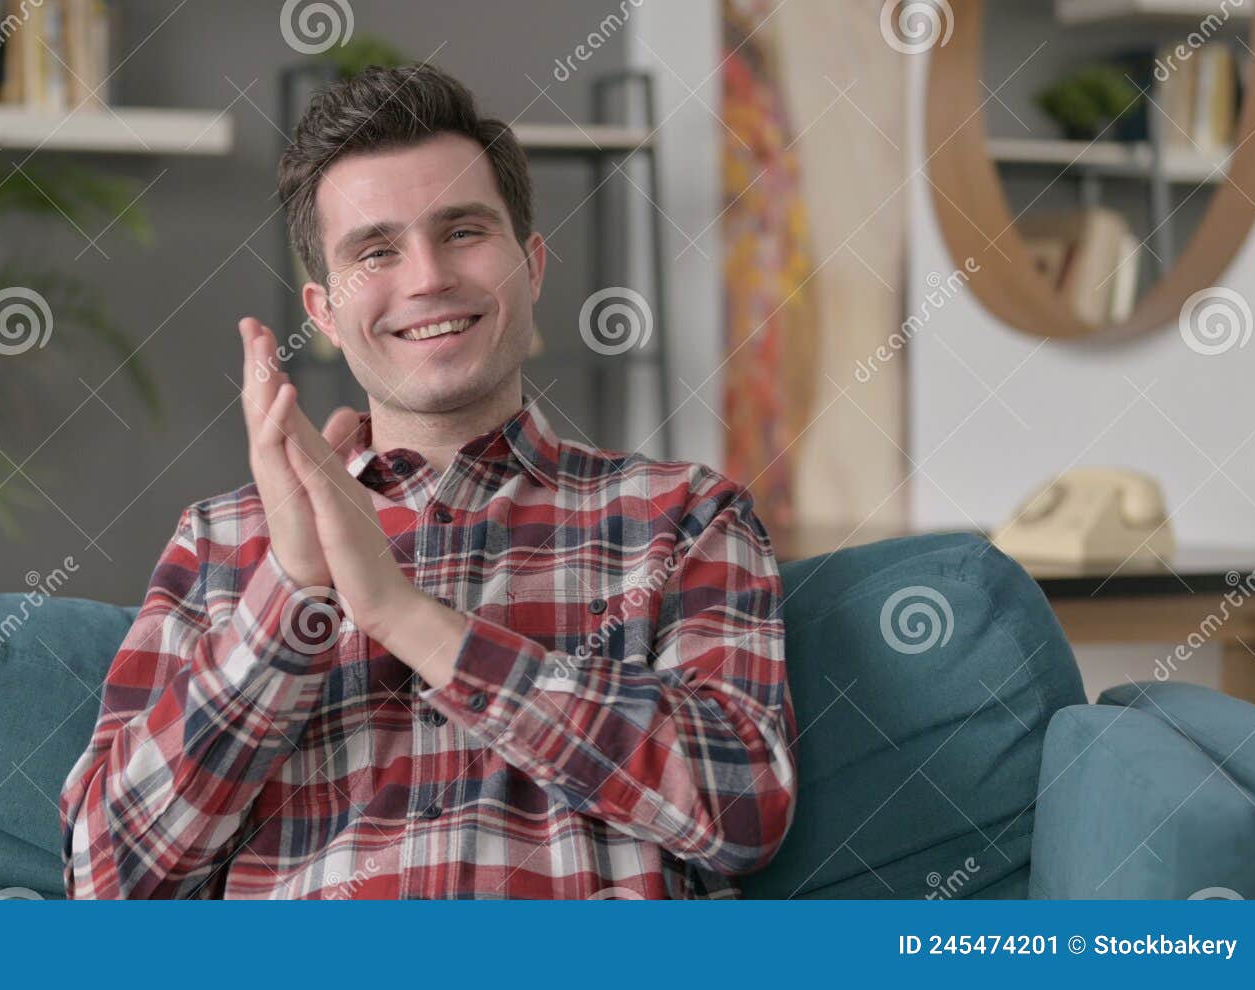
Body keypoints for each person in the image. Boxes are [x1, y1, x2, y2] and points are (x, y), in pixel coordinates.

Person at [59, 62, 796, 899]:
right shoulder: (223, 542)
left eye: (462, 232)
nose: (426, 278)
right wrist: (292, 594)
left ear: (532, 265)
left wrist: (404, 616)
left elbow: (744, 809)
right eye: (376, 250)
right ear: (325, 314)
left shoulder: (685, 517)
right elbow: (106, 880)